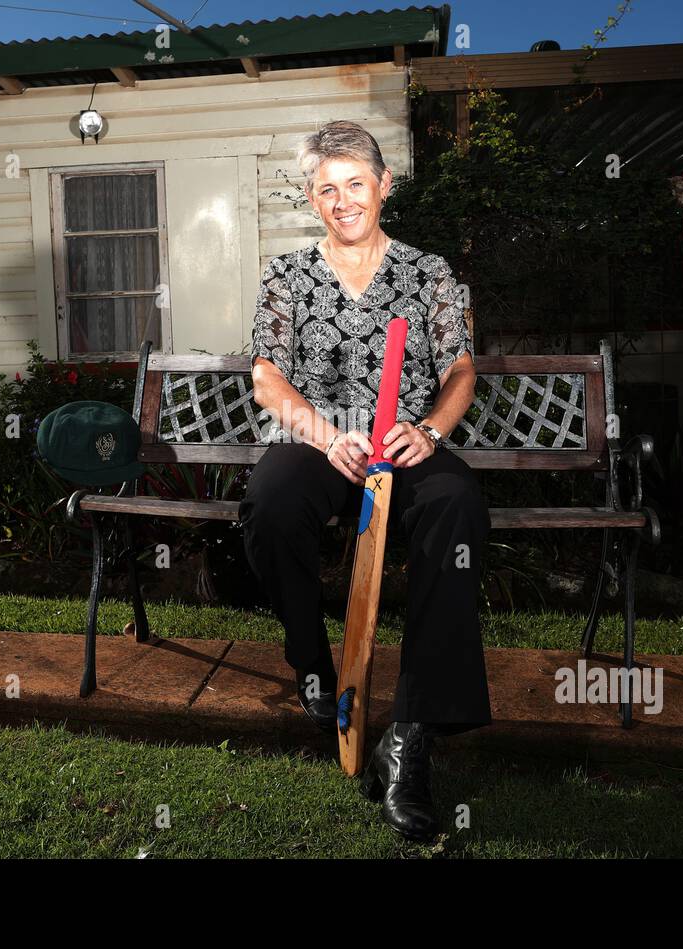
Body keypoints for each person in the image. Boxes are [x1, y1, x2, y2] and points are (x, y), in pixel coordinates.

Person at [240, 119, 491, 842]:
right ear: (313, 200)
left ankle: (411, 736)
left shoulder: (429, 272)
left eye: (356, 183)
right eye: (327, 189)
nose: (343, 199)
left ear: (384, 185)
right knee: (271, 502)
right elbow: (266, 378)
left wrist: (431, 431)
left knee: (455, 504)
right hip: (321, 441)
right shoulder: (286, 274)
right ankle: (315, 668)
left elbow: (461, 371)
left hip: (405, 441)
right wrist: (325, 434)